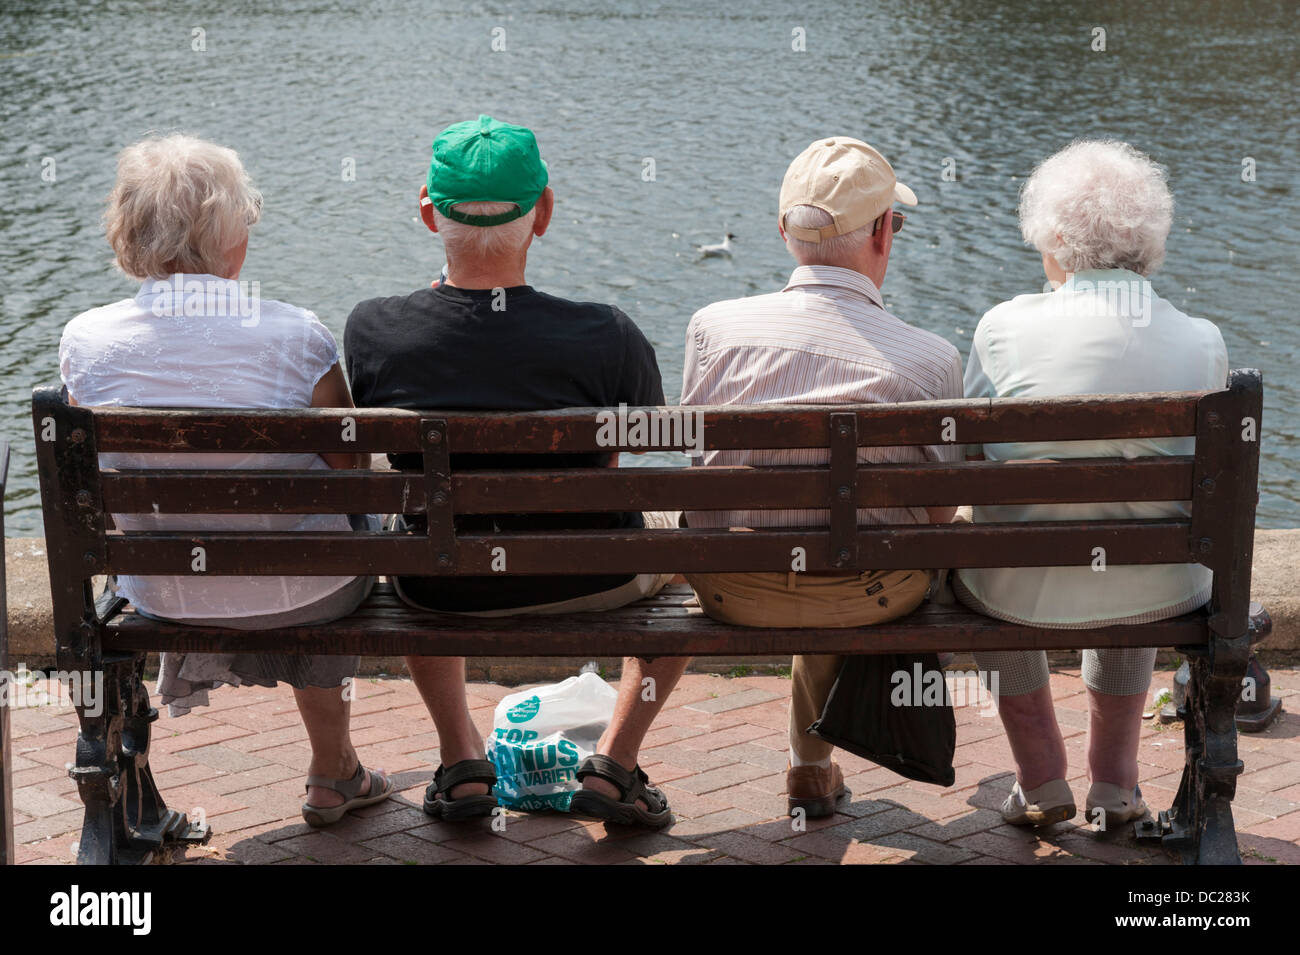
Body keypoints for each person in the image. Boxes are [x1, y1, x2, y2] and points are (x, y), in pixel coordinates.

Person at [344, 115, 688, 828]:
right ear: (546, 214)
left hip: (441, 585)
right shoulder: (608, 334)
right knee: (687, 555)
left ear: (427, 212)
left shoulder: (375, 330)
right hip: (595, 579)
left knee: (415, 534)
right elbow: (621, 462)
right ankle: (616, 764)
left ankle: (462, 761)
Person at [59, 134, 392, 827]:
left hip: (164, 595)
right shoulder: (297, 335)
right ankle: (333, 770)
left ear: (129, 235)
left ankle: (128, 799)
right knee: (339, 530)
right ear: (230, 237)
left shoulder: (85, 341)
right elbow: (351, 473)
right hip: (311, 593)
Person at [679, 137, 964, 817]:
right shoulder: (929, 362)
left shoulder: (712, 329)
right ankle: (1039, 773)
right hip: (871, 593)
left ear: (785, 233)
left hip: (730, 587)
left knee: (816, 538)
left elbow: (699, 473)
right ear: (882, 233)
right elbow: (939, 517)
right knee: (866, 541)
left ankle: (810, 767)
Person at [955, 140, 1228, 828]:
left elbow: (972, 466)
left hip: (1017, 590)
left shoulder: (1002, 330)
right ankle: (1114, 783)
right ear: (1150, 239)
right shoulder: (1201, 342)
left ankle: (1041, 775)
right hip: (1162, 586)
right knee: (1136, 529)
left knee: (997, 543)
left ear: (1055, 237)